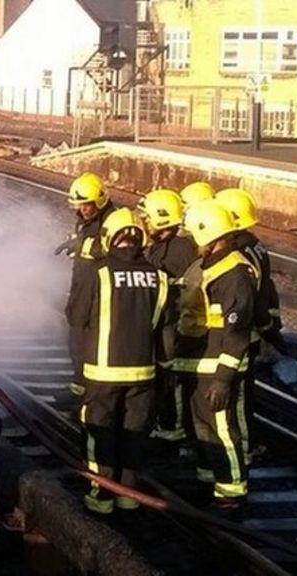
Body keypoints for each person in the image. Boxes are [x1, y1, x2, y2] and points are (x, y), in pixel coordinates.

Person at [66, 208, 169, 514]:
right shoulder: (159, 277)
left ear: (109, 237)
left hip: (103, 371)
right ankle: (128, 497)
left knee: (99, 432)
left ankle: (101, 497)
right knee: (133, 435)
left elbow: (76, 317)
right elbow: (163, 327)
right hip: (144, 373)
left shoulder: (97, 272)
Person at [175, 200, 257, 511]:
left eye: (195, 237)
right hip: (201, 363)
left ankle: (232, 492)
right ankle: (209, 480)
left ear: (210, 235)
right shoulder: (212, 266)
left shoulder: (234, 274)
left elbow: (236, 332)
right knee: (202, 428)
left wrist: (223, 379)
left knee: (221, 430)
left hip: (217, 369)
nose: (192, 243)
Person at [217, 188, 285, 463]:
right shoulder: (254, 243)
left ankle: (245, 448)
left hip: (245, 332)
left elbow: (250, 296)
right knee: (243, 394)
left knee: (240, 399)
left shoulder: (239, 252)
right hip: (252, 329)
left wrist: (264, 326)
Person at [138, 189, 198, 442]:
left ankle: (172, 427)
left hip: (173, 323)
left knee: (170, 375)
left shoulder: (179, 251)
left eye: (147, 218)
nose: (144, 222)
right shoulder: (163, 246)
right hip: (165, 321)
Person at [60, 172, 118, 398]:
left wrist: (81, 246)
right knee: (76, 336)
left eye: (87, 205)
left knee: (90, 342)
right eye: (79, 205)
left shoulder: (113, 221)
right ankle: (79, 386)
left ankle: (87, 390)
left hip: (97, 291)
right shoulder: (85, 221)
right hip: (82, 288)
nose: (82, 209)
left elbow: (110, 248)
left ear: (99, 201)